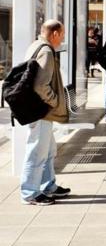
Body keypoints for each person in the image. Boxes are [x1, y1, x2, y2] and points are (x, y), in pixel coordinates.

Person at [20, 20, 71, 206]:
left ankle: (48, 185)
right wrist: (55, 101)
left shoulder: (35, 45)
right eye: (62, 34)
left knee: (48, 150)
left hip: (38, 110)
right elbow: (40, 85)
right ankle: (30, 193)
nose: (62, 39)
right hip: (40, 111)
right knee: (37, 152)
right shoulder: (47, 52)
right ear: (55, 34)